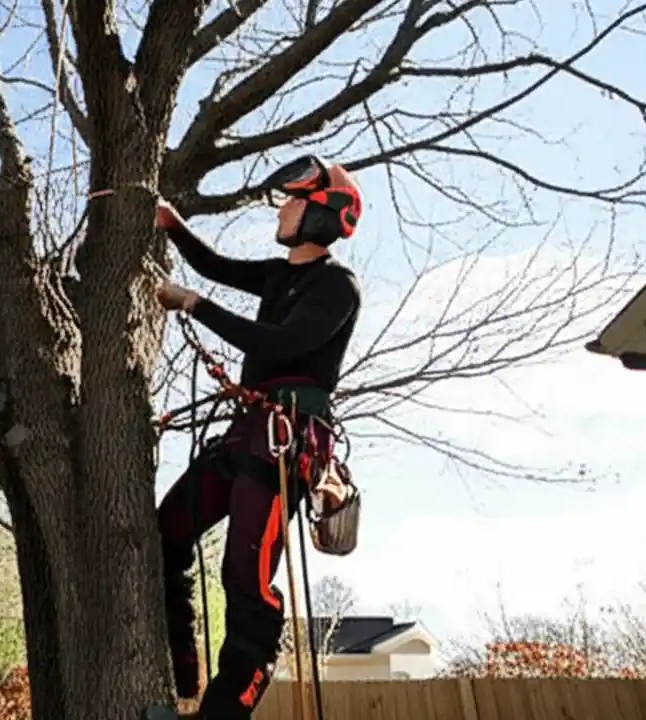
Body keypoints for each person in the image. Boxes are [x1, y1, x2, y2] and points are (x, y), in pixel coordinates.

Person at [152, 156, 364, 719]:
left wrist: (193, 305)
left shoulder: (338, 287)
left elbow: (281, 342)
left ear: (322, 216)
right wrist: (171, 225)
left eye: (295, 203)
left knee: (246, 577)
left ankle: (224, 712)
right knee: (164, 533)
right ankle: (180, 682)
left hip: (283, 443)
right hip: (246, 432)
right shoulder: (278, 274)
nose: (283, 209)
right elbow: (214, 264)